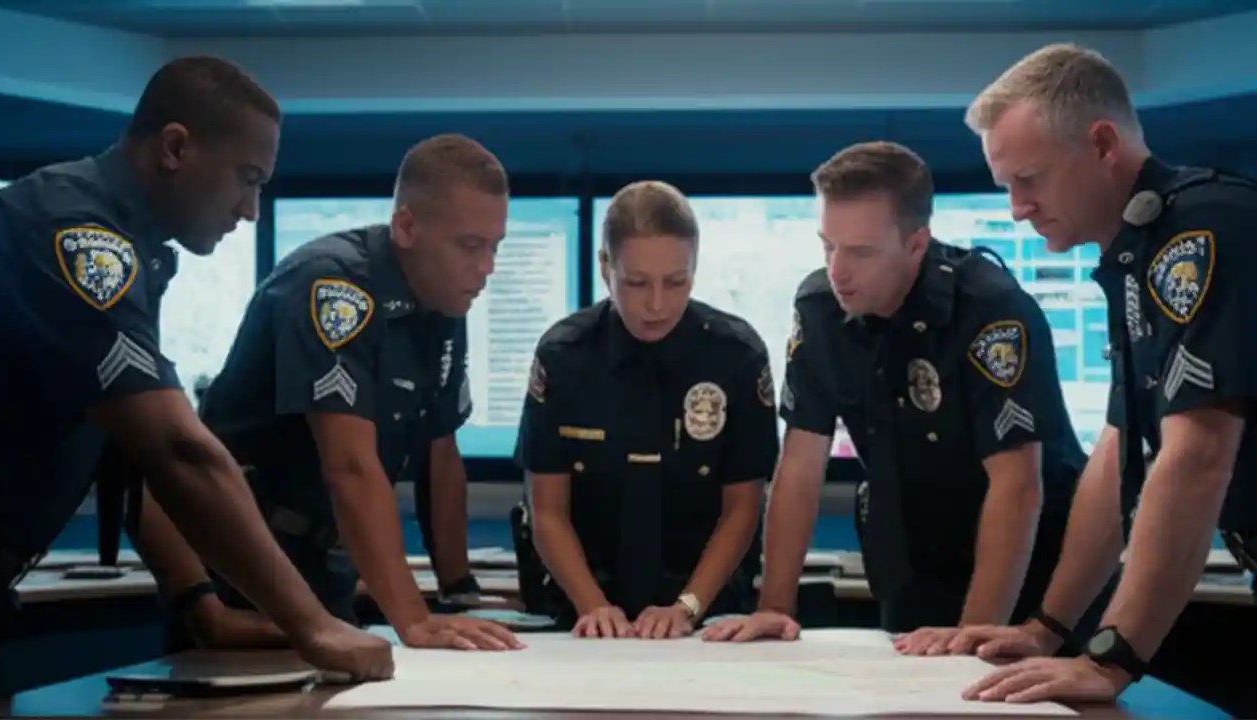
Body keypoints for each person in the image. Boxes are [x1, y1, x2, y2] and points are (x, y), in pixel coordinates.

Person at [0, 56, 392, 715]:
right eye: (247, 180)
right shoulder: (74, 233)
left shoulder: (132, 248)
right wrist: (314, 626)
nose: (252, 210)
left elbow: (134, 456)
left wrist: (200, 602)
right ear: (176, 147)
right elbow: (180, 451)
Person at [948, 43, 1257, 705]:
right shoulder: (1136, 258)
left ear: (1103, 144)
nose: (1017, 208)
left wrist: (1112, 656)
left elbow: (1197, 456)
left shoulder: (1199, 235)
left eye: (1029, 180)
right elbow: (1121, 454)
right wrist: (1048, 628)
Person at [702, 141, 1092, 646]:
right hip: (916, 556)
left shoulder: (989, 310)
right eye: (828, 246)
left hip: (1036, 570)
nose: (837, 271)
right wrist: (775, 606)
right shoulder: (821, 309)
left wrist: (974, 635)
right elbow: (800, 464)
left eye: (860, 252)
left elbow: (1018, 488)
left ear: (916, 243)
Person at [190, 133, 523, 651]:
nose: (487, 269)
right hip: (248, 563)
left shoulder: (442, 301)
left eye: (495, 246)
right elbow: (348, 466)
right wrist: (413, 620)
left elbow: (441, 453)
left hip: (329, 565)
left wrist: (459, 594)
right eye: (469, 245)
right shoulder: (334, 286)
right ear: (407, 226)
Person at [513, 180, 777, 639]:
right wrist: (594, 607)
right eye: (636, 283)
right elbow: (547, 509)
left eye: (676, 282)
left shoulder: (736, 356)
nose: (657, 304)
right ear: (604, 269)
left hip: (705, 614)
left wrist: (686, 608)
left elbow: (743, 507)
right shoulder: (564, 356)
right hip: (582, 610)